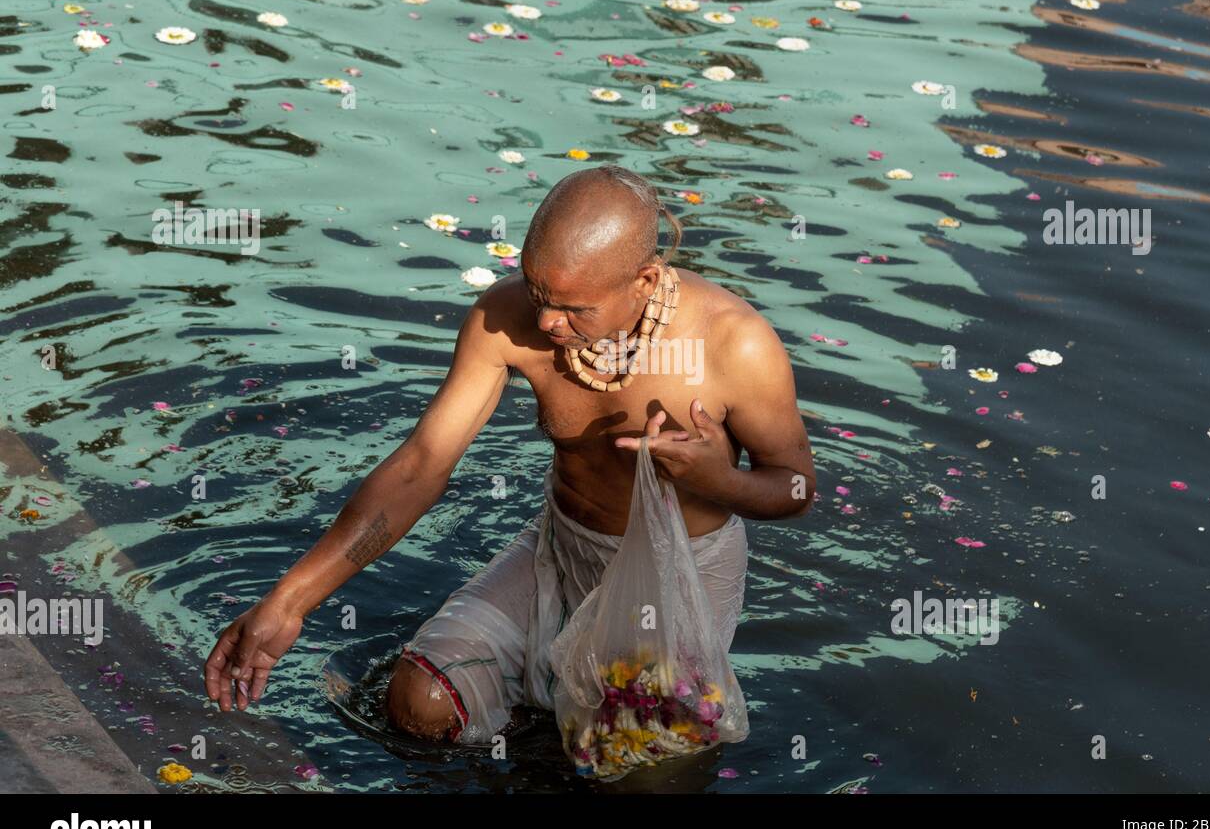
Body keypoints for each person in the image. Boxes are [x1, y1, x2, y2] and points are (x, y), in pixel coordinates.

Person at [203, 164, 815, 745]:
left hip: (681, 575)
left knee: (632, 758)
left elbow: (795, 488)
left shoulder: (735, 344)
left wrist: (720, 481)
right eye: (538, 290)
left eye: (575, 309)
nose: (547, 321)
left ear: (645, 281)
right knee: (420, 703)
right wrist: (288, 602)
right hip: (559, 549)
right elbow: (420, 467)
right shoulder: (507, 315)